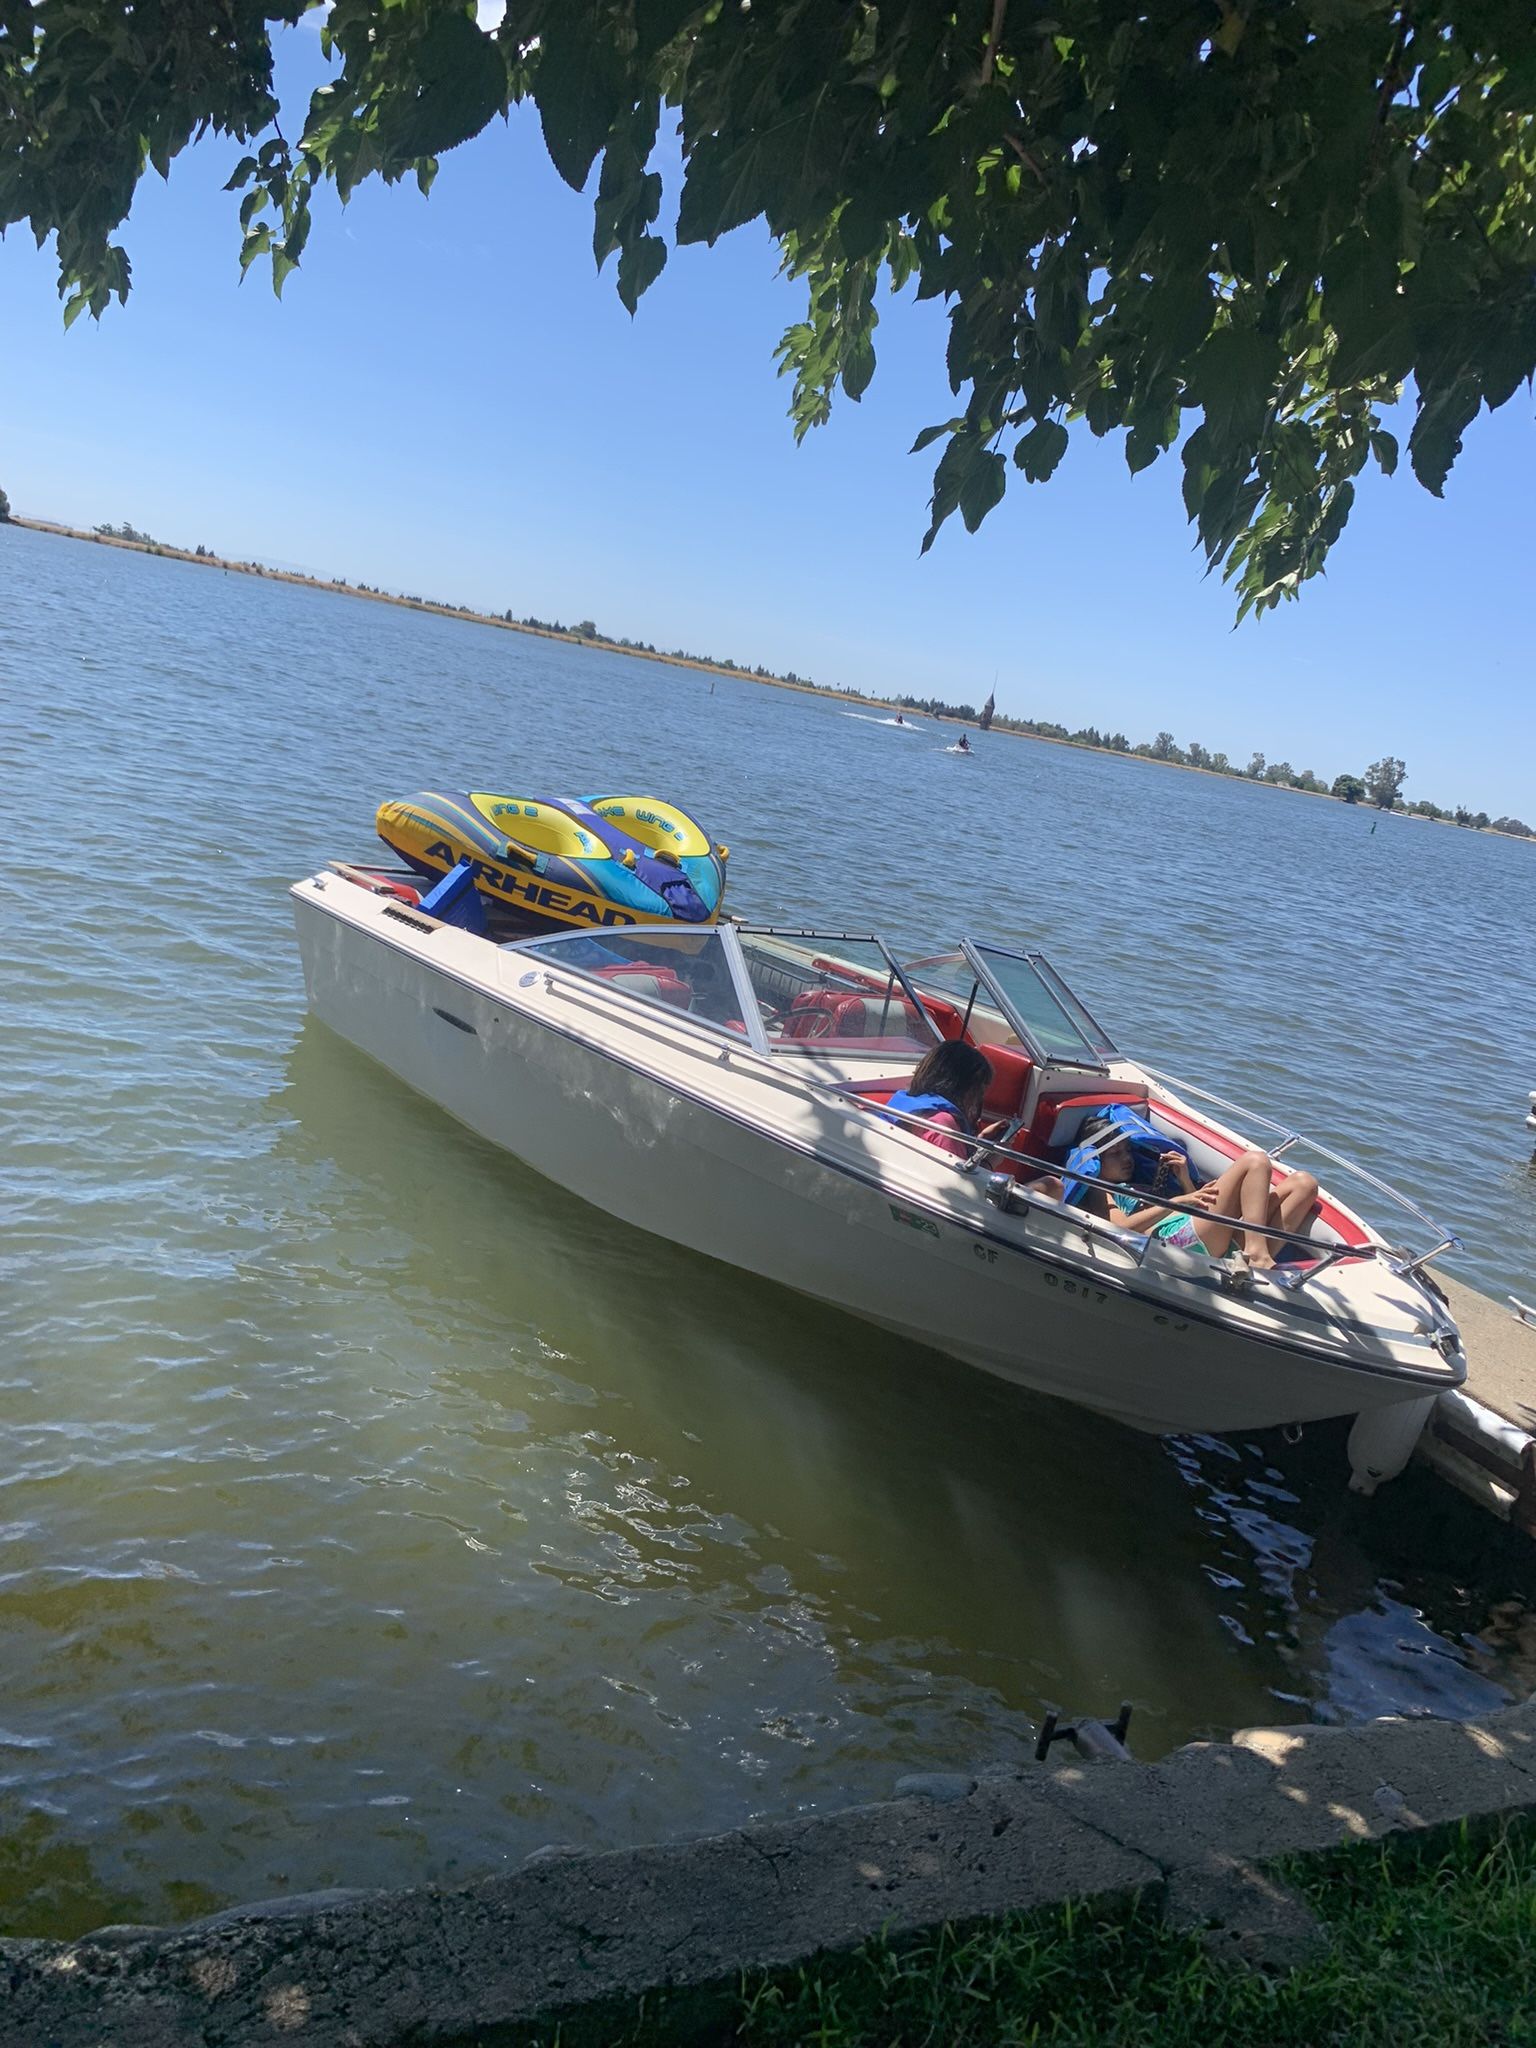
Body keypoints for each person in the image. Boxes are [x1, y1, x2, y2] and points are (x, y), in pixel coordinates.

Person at [1075, 1115, 1319, 1269]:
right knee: (1255, 1160)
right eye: (1115, 1154)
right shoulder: (1100, 1189)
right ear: (1096, 1159)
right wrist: (1178, 1202)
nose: (1127, 1158)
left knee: (1303, 1184)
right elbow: (1122, 1228)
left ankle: (1254, 1255)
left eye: (1127, 1150)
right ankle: (1256, 1253)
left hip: (1195, 1231)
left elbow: (1194, 1211)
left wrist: (1186, 1185)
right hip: (1176, 1241)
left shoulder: (1138, 1184)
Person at [884, 1041, 995, 1160]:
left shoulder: (906, 1103)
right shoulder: (943, 1127)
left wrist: (978, 1142)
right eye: (979, 1091)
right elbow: (957, 1178)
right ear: (967, 1088)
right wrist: (988, 1162)